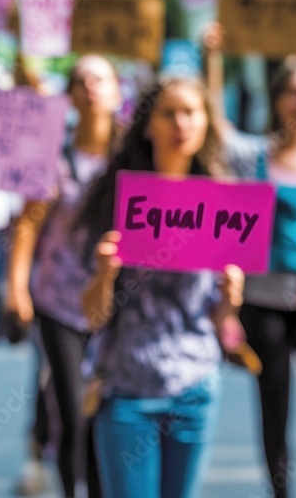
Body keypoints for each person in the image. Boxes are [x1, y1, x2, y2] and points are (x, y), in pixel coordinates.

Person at [79, 77, 245, 498]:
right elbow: (92, 316)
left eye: (192, 112)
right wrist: (104, 274)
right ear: (148, 125)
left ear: (206, 122)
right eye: (169, 112)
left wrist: (230, 298)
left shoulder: (220, 205)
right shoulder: (118, 200)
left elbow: (219, 319)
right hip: (127, 390)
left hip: (195, 386)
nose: (181, 123)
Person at [203, 25, 296, 498]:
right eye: (291, 92)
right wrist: (215, 59)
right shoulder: (253, 157)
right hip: (264, 304)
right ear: (276, 99)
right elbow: (216, 128)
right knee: (274, 411)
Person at [5, 53, 122, 498]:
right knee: (73, 410)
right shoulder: (51, 155)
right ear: (71, 96)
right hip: (58, 303)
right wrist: (17, 288)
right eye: (82, 80)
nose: (91, 87)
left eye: (101, 78)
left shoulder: (132, 155)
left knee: (105, 409)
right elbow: (28, 223)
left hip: (115, 303)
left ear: (116, 92)